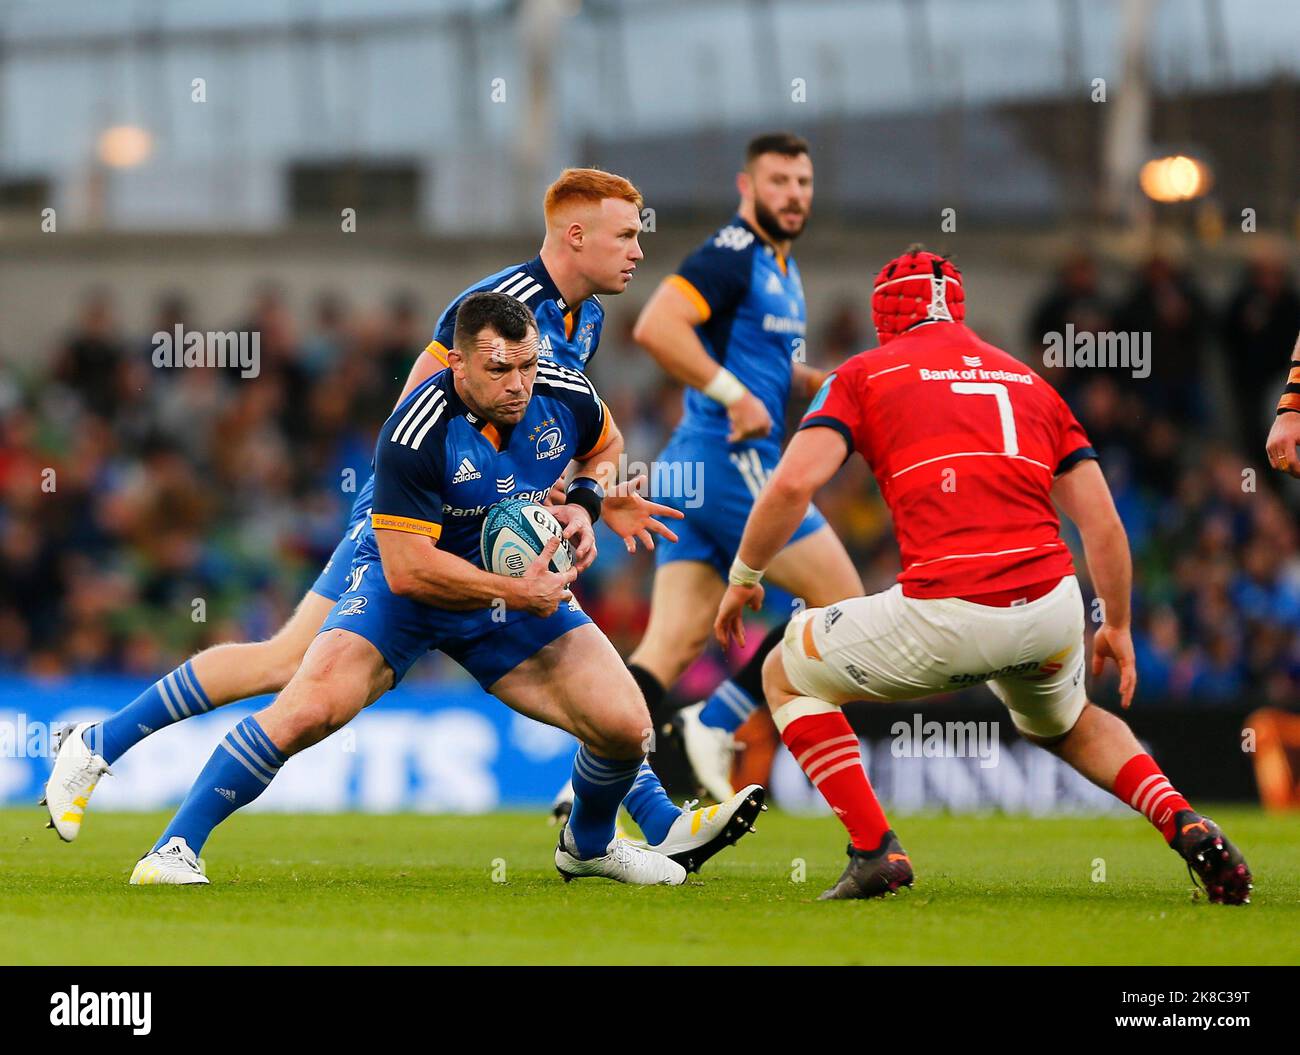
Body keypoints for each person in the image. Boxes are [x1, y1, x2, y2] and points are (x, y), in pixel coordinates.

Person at [47, 168, 767, 875]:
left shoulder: (588, 319)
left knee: (284, 660)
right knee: (291, 670)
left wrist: (588, 495)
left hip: (493, 515)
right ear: (576, 236)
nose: (638, 250)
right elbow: (423, 420)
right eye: (624, 235)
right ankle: (101, 751)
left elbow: (565, 431)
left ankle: (100, 744)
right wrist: (467, 505)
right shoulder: (502, 305)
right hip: (416, 515)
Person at [715, 247, 1253, 905]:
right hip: (1051, 607)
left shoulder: (863, 373)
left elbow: (794, 481)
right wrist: (1116, 622)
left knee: (782, 671)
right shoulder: (1030, 382)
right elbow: (1103, 522)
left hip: (950, 610)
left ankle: (874, 848)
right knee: (1070, 722)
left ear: (886, 313)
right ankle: (1182, 818)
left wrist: (745, 573)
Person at [128, 293, 691, 885]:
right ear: (457, 364)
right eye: (499, 369)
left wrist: (585, 501)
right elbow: (408, 569)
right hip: (411, 592)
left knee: (627, 727)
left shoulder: (562, 391)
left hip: (511, 593)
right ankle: (172, 849)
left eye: (526, 365)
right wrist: (516, 591)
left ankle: (589, 844)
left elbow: (606, 446)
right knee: (308, 710)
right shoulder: (415, 431)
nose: (519, 384)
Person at [599, 131, 863, 805]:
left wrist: (810, 382)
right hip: (729, 463)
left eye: (803, 183)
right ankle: (715, 719)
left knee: (671, 646)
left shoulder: (781, 267)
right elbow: (657, 325)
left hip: (692, 467)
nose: (793, 194)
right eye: (778, 181)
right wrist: (734, 394)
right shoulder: (735, 252)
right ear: (747, 188)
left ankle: (589, 783)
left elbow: (762, 366)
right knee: (847, 605)